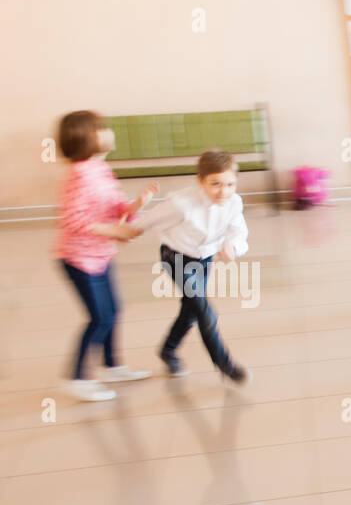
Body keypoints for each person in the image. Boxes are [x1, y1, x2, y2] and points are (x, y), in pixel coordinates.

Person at [53, 110, 156, 402]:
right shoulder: (79, 174)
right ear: (86, 137)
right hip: (78, 259)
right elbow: (73, 221)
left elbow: (112, 206)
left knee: (114, 310)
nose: (109, 132)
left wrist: (135, 204)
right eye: (101, 128)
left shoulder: (99, 168)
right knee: (99, 317)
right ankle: (76, 378)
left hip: (99, 255)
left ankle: (112, 366)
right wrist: (114, 232)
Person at [133, 149, 251, 382]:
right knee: (205, 311)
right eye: (215, 184)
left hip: (204, 259)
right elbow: (144, 222)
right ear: (200, 181)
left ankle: (168, 349)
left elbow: (240, 234)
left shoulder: (234, 203)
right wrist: (122, 224)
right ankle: (224, 364)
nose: (223, 192)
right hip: (175, 258)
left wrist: (233, 248)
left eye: (230, 184)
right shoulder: (180, 203)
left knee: (191, 312)